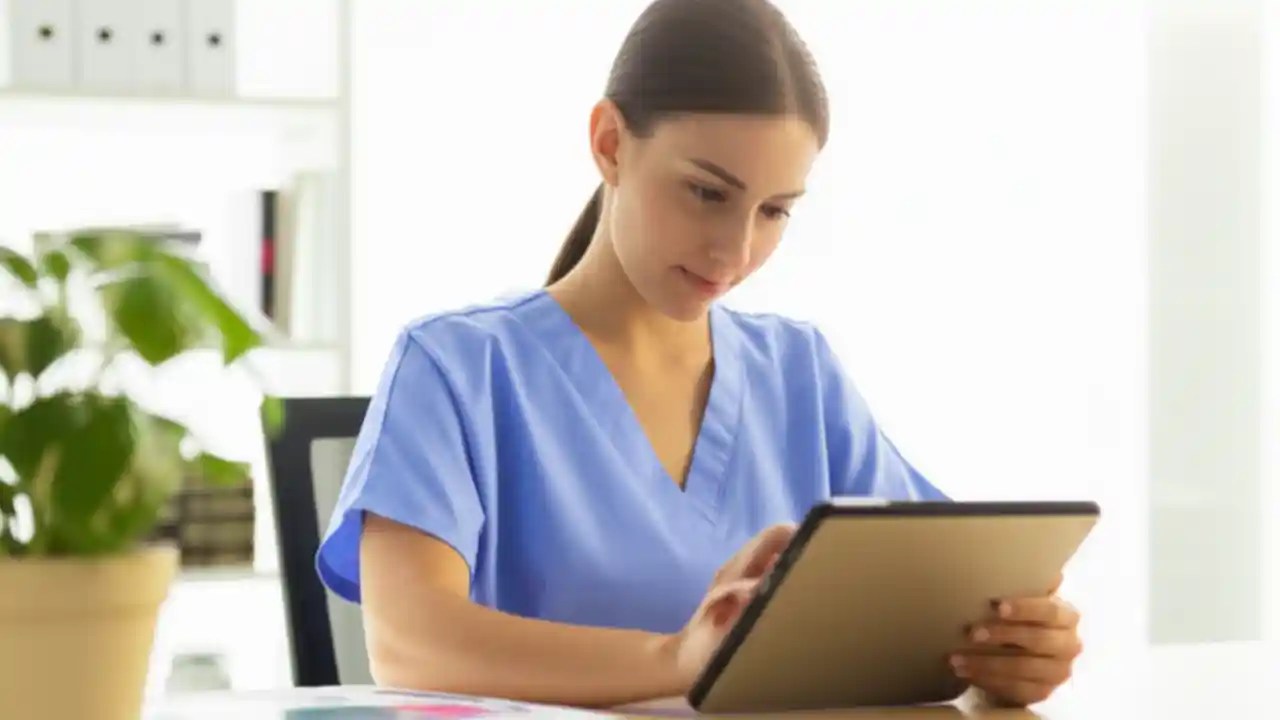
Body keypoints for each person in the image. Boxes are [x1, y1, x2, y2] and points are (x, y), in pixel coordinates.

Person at [316, 0, 1083, 710]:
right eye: (707, 193)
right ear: (610, 144)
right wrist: (679, 658)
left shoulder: (799, 375)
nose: (737, 250)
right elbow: (408, 644)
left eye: (775, 210)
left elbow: (951, 591)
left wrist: (1011, 645)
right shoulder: (457, 367)